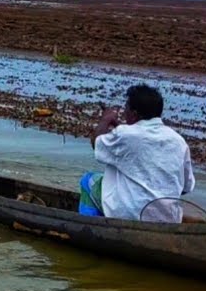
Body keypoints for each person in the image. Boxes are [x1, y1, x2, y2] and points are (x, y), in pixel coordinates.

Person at [79, 84, 195, 222]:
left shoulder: (126, 135)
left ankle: (89, 226)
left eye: (126, 109)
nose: (124, 113)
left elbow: (96, 143)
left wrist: (106, 119)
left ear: (134, 114)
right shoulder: (179, 141)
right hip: (169, 219)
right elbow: (186, 187)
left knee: (88, 180)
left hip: (129, 215)